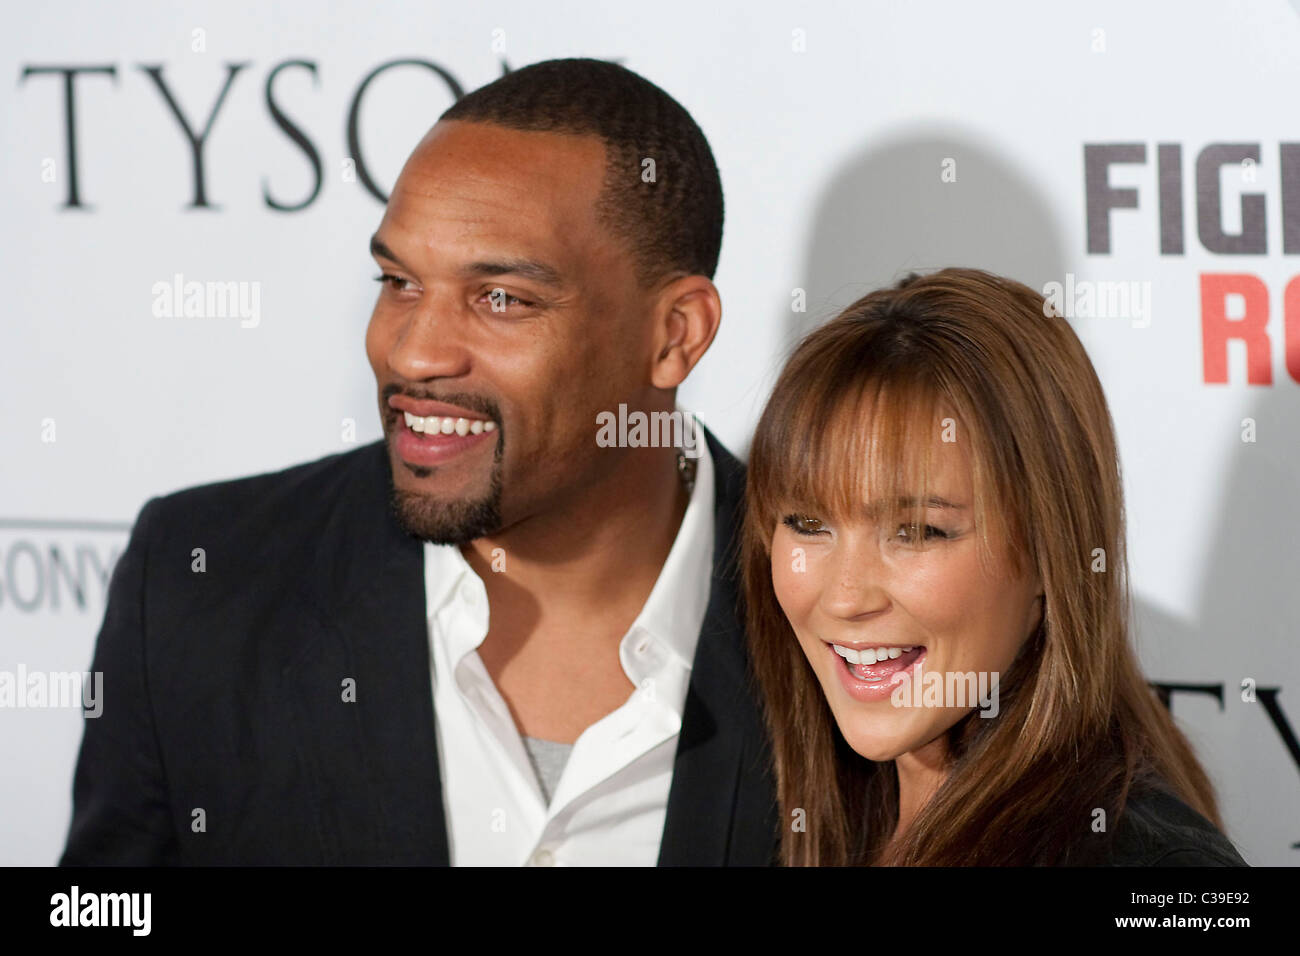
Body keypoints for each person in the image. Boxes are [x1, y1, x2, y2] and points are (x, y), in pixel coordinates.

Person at [60, 58, 779, 866]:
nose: (412, 351)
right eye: (398, 280)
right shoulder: (200, 581)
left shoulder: (844, 625)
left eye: (500, 297)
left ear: (675, 334)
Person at [741, 267, 1248, 866]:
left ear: (1047, 553)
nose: (845, 597)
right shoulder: (817, 821)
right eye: (807, 523)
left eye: (918, 532)